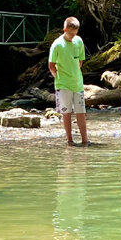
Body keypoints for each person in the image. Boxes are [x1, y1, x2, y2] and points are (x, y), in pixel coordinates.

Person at [48, 16, 87, 146]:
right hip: (63, 83)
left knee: (81, 112)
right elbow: (51, 65)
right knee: (67, 113)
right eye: (70, 34)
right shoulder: (57, 44)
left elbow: (80, 61)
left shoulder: (79, 41)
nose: (72, 37)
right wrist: (58, 78)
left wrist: (75, 73)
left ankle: (85, 140)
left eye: (74, 34)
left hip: (77, 83)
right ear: (64, 29)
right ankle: (69, 140)